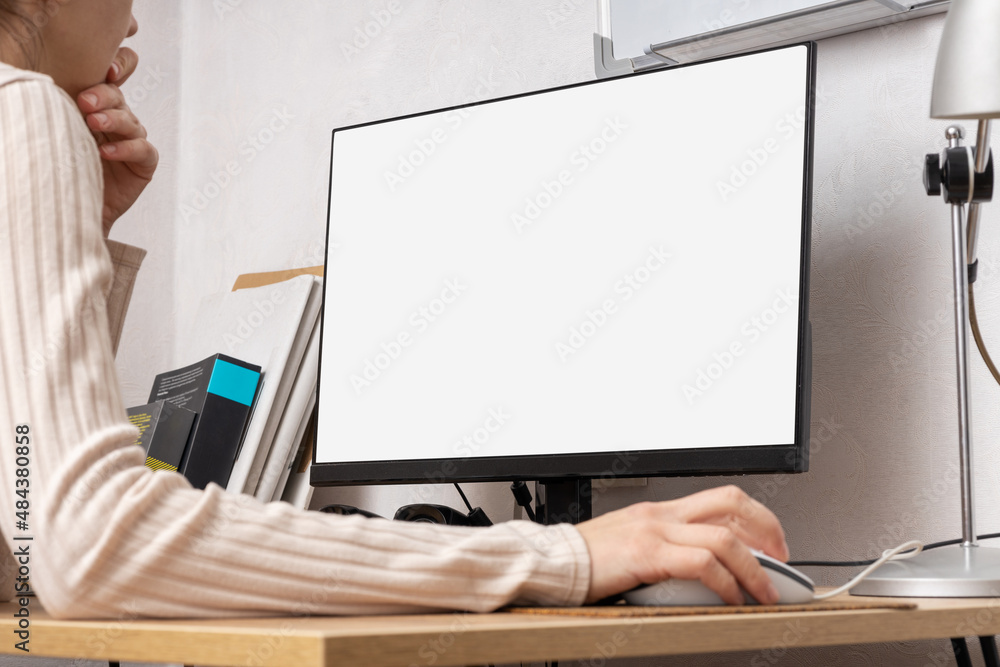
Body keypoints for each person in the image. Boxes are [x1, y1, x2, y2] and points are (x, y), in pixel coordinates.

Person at [0, 0, 789, 620]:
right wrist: (565, 556)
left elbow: (22, 546)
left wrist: (84, 228)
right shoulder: (25, 107)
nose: (136, 21)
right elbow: (80, 542)